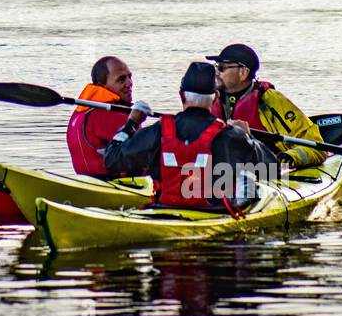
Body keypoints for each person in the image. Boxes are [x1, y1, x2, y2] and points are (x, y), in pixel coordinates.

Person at [103, 62, 273, 209]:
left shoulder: (158, 131)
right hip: (215, 213)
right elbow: (273, 168)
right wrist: (248, 137)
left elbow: (112, 159)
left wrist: (131, 123)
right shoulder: (232, 136)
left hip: (164, 210)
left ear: (181, 95)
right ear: (215, 98)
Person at [205, 43, 327, 168]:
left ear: (243, 72)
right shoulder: (207, 99)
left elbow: (315, 147)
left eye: (221, 68)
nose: (216, 72)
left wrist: (287, 158)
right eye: (215, 67)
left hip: (266, 169)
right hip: (221, 170)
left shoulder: (271, 101)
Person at [66, 56, 151, 177]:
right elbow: (145, 151)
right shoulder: (110, 114)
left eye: (129, 77)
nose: (129, 83)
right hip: (120, 185)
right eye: (121, 79)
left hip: (87, 180)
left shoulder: (81, 110)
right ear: (102, 85)